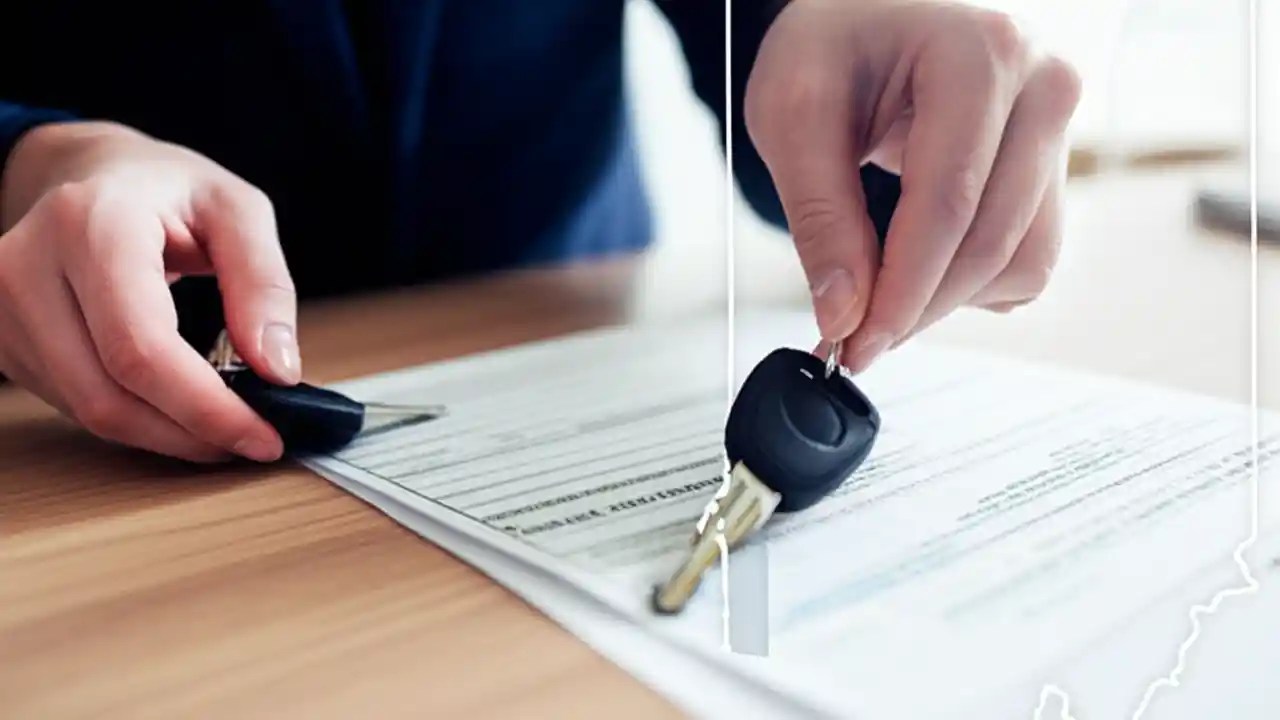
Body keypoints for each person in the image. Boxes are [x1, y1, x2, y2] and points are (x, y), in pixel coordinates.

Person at [0, 0, 1080, 464]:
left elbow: (777, 50)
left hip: (591, 334)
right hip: (87, 411)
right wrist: (24, 160)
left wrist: (866, 66)